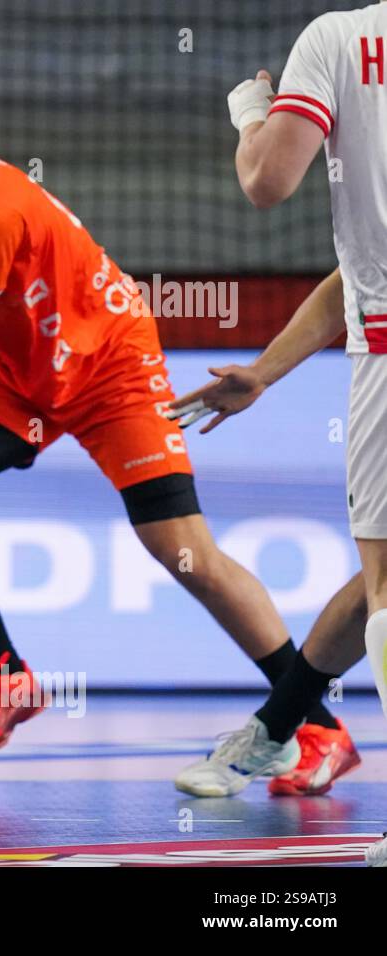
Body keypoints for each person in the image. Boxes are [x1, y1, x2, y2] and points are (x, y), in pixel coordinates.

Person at [0, 56, 341, 769]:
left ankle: (316, 724)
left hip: (109, 365)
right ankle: (7, 675)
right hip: (17, 368)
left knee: (185, 554)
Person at [166, 3, 387, 867]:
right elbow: (356, 273)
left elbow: (267, 182)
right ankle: (278, 727)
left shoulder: (338, 39)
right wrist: (265, 371)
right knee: (378, 585)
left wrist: (252, 116)